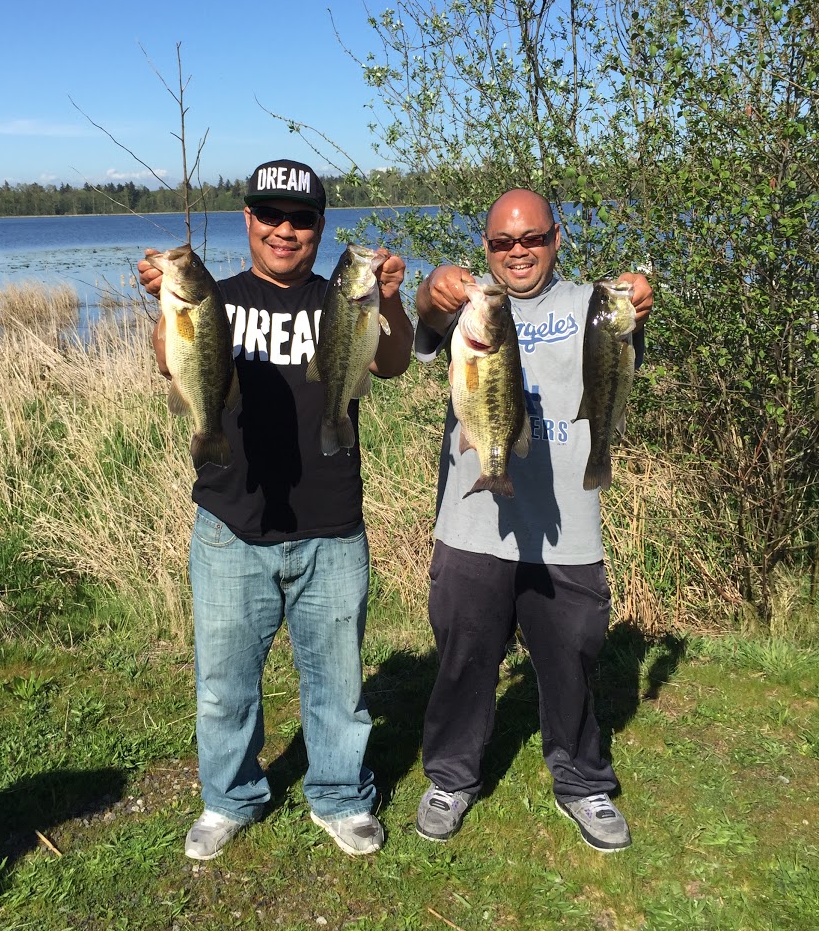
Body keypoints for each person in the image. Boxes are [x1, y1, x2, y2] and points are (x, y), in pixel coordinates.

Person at [137, 158, 413, 860]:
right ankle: (229, 796)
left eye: (301, 218)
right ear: (248, 221)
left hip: (332, 524)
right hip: (230, 523)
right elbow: (171, 364)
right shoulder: (215, 297)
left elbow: (392, 364)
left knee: (339, 682)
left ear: (321, 227)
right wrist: (164, 305)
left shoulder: (340, 298)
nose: (284, 230)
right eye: (270, 215)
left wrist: (391, 300)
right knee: (223, 685)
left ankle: (340, 796)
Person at [413, 188, 653, 852]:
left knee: (571, 657)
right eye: (501, 242)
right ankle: (450, 777)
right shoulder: (472, 306)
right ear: (486, 247)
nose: (517, 251)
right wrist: (431, 292)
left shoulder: (588, 304)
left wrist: (637, 295)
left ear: (555, 236)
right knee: (463, 656)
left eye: (531, 238)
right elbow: (425, 316)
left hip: (568, 524)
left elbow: (626, 328)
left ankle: (581, 780)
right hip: (471, 525)